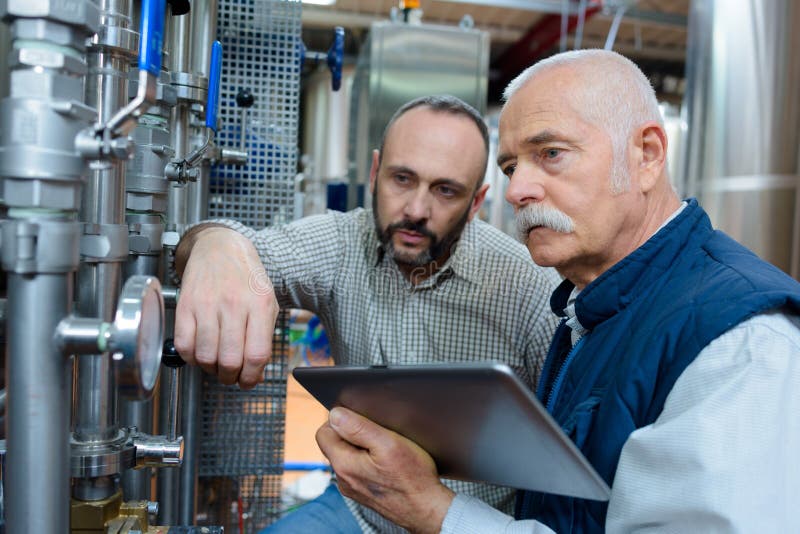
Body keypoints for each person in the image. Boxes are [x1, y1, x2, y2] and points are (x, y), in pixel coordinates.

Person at [315, 49, 800, 533]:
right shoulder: (589, 313)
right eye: (510, 167)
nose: (518, 190)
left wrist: (434, 511)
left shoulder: (742, 347)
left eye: (550, 154)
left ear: (647, 154)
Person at [173, 95, 561, 532]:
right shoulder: (344, 242)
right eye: (402, 179)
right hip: (360, 506)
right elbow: (248, 251)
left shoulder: (527, 286)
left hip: (467, 519)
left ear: (476, 202)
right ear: (376, 173)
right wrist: (215, 244)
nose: (415, 210)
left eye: (445, 190)